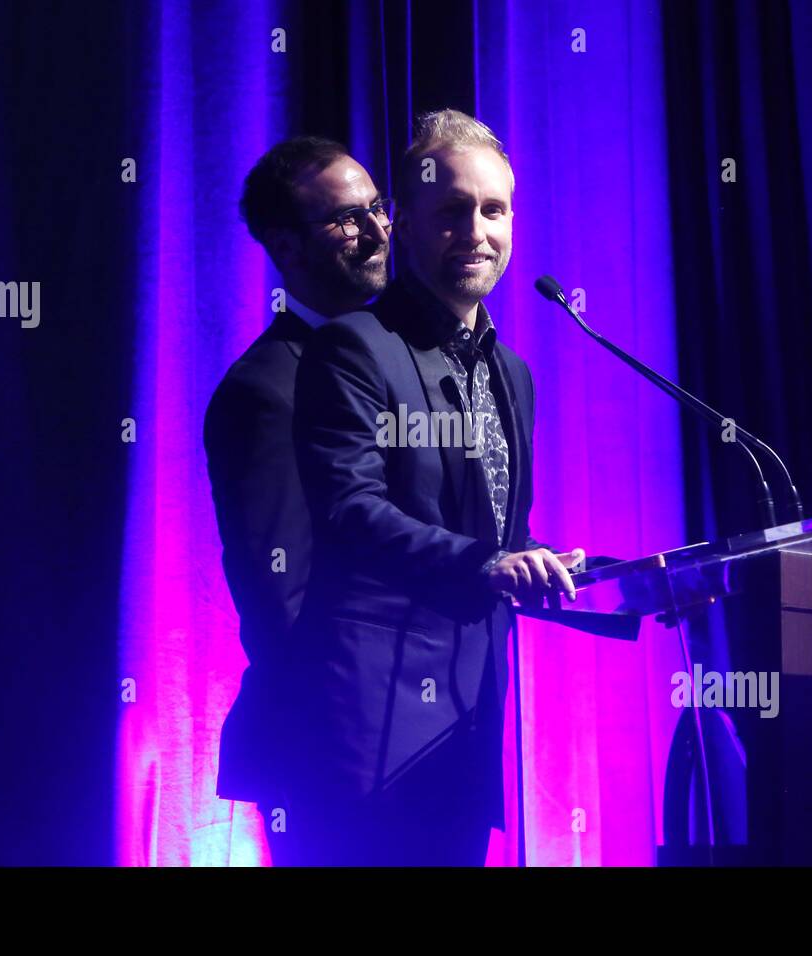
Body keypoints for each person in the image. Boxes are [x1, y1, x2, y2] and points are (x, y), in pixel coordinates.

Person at [283, 109, 584, 865]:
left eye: (494, 210)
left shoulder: (512, 371)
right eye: (452, 211)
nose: (476, 231)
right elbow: (350, 508)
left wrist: (564, 566)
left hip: (469, 726)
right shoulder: (354, 348)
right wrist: (486, 564)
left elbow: (497, 535)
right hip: (367, 735)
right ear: (405, 225)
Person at [203, 136, 391, 851]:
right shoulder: (266, 392)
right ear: (285, 244)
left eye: (378, 209)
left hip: (428, 740)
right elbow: (279, 595)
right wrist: (365, 733)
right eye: (347, 218)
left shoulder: (402, 361)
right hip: (338, 755)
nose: (375, 231)